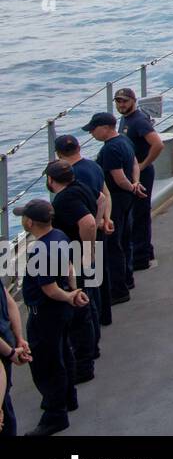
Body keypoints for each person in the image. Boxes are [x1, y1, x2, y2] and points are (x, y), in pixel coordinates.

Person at [15, 198, 90, 436]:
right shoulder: (59, 235)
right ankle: (69, 398)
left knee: (46, 364)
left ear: (30, 222)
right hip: (62, 310)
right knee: (64, 352)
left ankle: (55, 415)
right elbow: (68, 267)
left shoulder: (39, 250)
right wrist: (73, 291)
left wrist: (67, 297)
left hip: (46, 313)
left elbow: (48, 289)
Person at [44, 160, 101, 380]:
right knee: (90, 303)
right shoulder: (81, 187)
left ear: (51, 179)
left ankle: (84, 361)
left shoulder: (65, 198)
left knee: (80, 310)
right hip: (85, 252)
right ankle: (92, 347)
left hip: (77, 257)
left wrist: (88, 251)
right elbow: (102, 199)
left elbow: (86, 222)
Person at [55, 134, 113, 327]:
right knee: (98, 279)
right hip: (95, 234)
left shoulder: (70, 184)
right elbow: (103, 197)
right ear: (79, 148)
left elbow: (85, 220)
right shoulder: (93, 166)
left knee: (86, 286)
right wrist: (104, 220)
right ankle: (104, 316)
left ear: (58, 154)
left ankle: (92, 328)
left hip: (82, 240)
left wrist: (88, 246)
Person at [87, 111, 140, 300]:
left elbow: (118, 178)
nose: (92, 133)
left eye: (94, 129)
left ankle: (119, 290)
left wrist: (129, 186)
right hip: (127, 198)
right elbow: (134, 163)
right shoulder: (125, 140)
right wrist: (135, 184)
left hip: (116, 199)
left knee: (114, 245)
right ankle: (128, 278)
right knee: (126, 239)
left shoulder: (110, 149)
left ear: (106, 128)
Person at [114, 88, 163, 270]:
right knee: (135, 213)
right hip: (132, 173)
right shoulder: (126, 119)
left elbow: (157, 144)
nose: (121, 105)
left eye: (125, 101)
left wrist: (142, 165)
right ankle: (145, 251)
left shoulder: (139, 121)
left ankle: (140, 258)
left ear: (133, 101)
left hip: (141, 174)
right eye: (118, 102)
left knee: (139, 214)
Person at [0, 285, 31, 436]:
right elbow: (10, 302)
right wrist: (18, 339)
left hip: (4, 350)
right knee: (6, 408)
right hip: (6, 345)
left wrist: (12, 351)